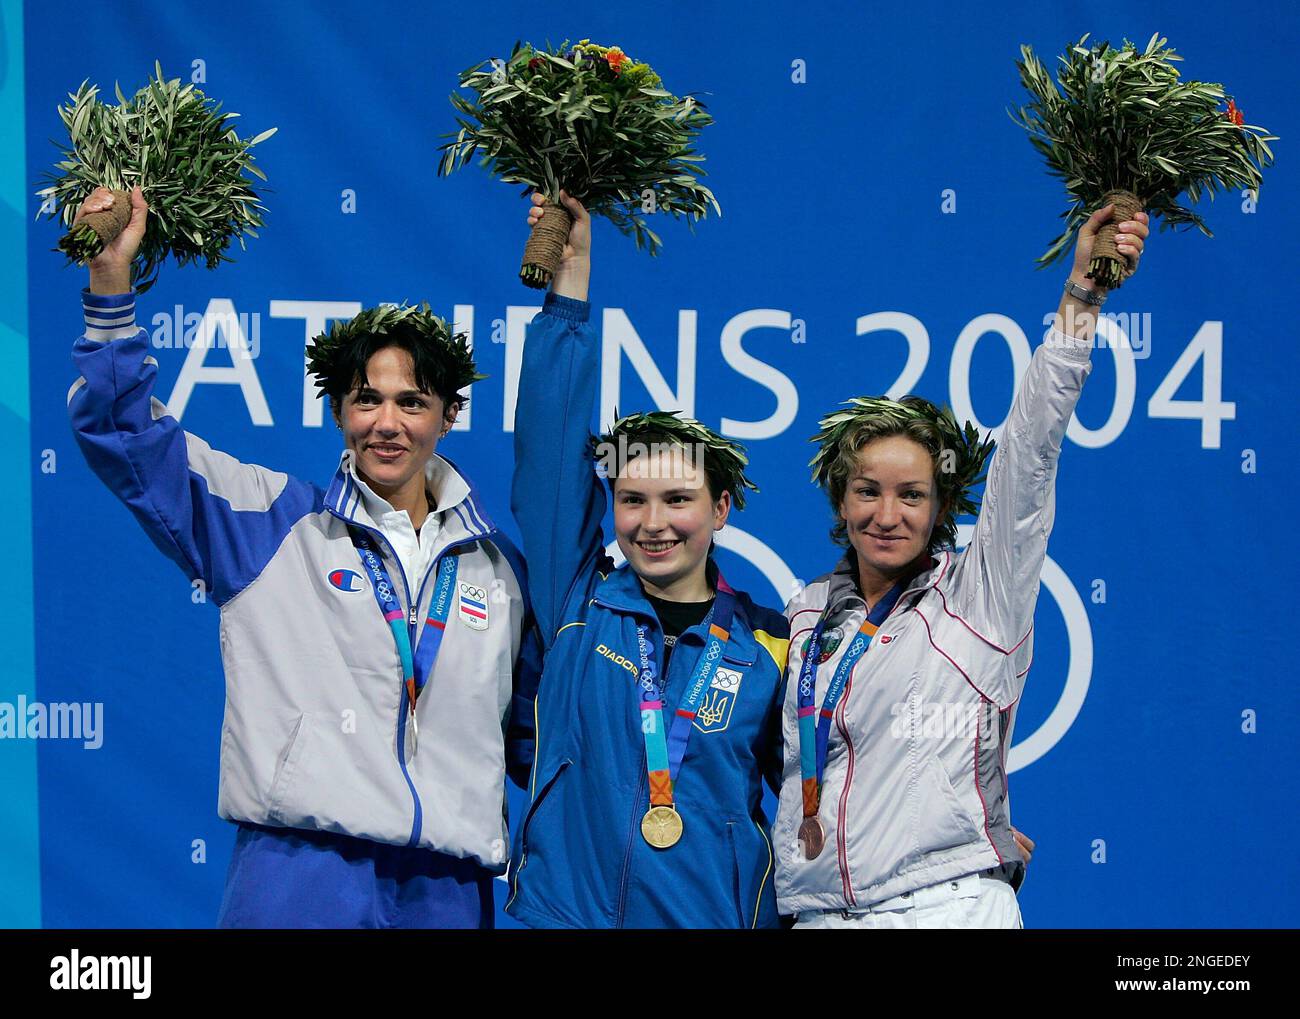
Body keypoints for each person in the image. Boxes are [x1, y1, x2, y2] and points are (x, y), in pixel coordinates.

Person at [66, 186, 541, 928]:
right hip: (303, 875)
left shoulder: (497, 565)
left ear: (451, 414)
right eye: (365, 399)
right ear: (337, 411)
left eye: (412, 402)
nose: (387, 423)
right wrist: (109, 286)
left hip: (448, 888)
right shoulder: (272, 522)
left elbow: (538, 745)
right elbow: (125, 436)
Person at [773, 203, 1150, 928]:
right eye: (868, 491)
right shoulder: (807, 612)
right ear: (839, 498)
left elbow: (1031, 453)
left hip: (944, 907)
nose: (888, 514)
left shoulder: (981, 596)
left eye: (912, 494)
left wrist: (1081, 301)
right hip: (818, 912)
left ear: (942, 504)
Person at [504, 191, 792, 928]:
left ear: (721, 509)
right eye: (632, 499)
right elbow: (549, 458)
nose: (652, 523)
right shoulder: (577, 606)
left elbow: (832, 784)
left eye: (678, 499)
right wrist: (568, 298)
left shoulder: (771, 646)